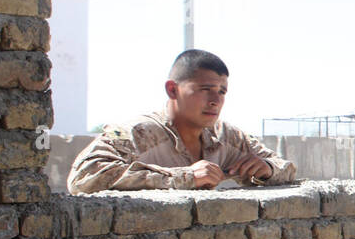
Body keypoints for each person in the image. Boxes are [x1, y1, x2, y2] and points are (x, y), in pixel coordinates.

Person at [67, 49, 298, 194]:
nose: (215, 100)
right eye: (205, 89)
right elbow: (83, 177)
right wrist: (185, 177)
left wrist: (266, 170)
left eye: (222, 91)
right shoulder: (139, 133)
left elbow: (285, 167)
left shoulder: (226, 136)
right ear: (172, 89)